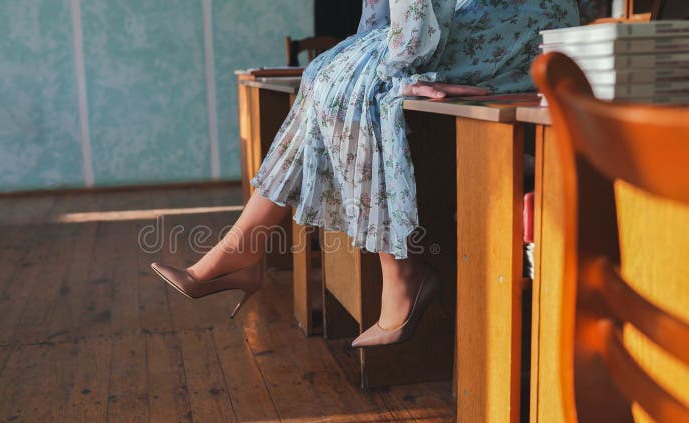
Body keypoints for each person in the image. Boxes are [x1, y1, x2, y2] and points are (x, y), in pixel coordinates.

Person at [152, 0, 578, 347]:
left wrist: (395, 67)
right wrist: (380, 54)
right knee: (329, 71)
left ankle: (396, 272)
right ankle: (243, 247)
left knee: (357, 81)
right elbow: (382, 13)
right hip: (476, 18)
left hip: (525, 25)